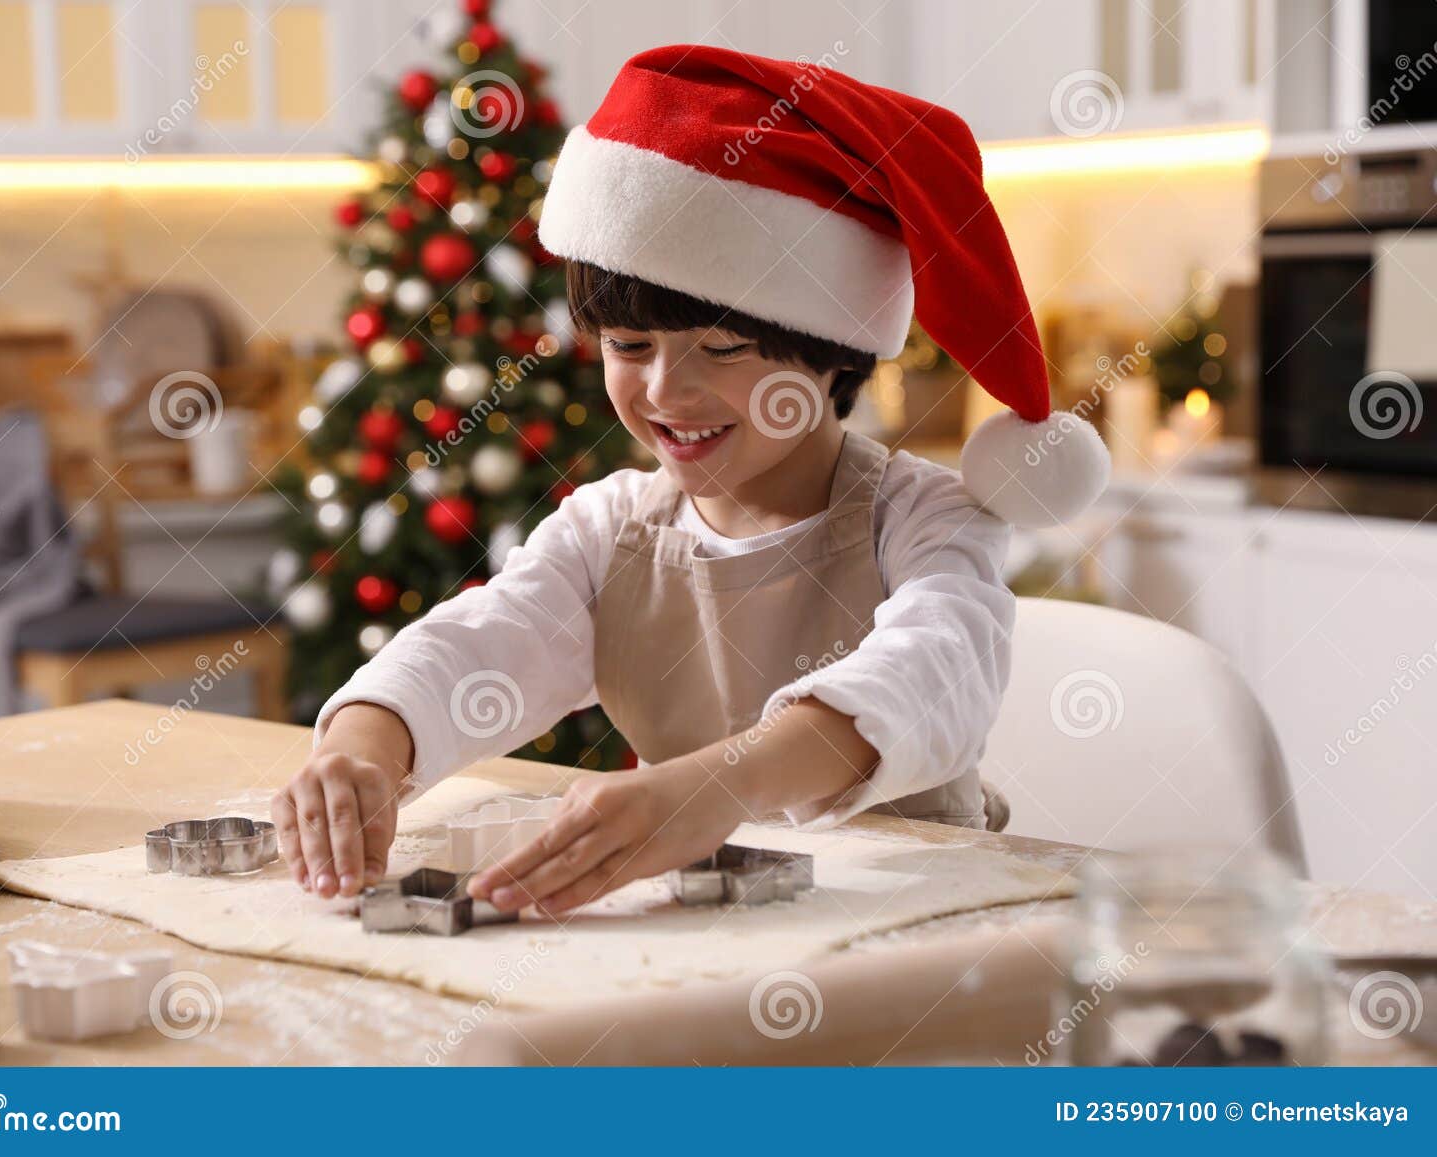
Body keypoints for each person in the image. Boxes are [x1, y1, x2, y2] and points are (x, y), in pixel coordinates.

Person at [272, 44, 1109, 913]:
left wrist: (720, 786)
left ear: (834, 351)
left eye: (723, 348)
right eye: (629, 345)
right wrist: (364, 747)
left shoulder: (926, 521)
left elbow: (934, 669)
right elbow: (483, 644)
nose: (667, 391)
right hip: (703, 941)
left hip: (918, 925)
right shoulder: (609, 532)